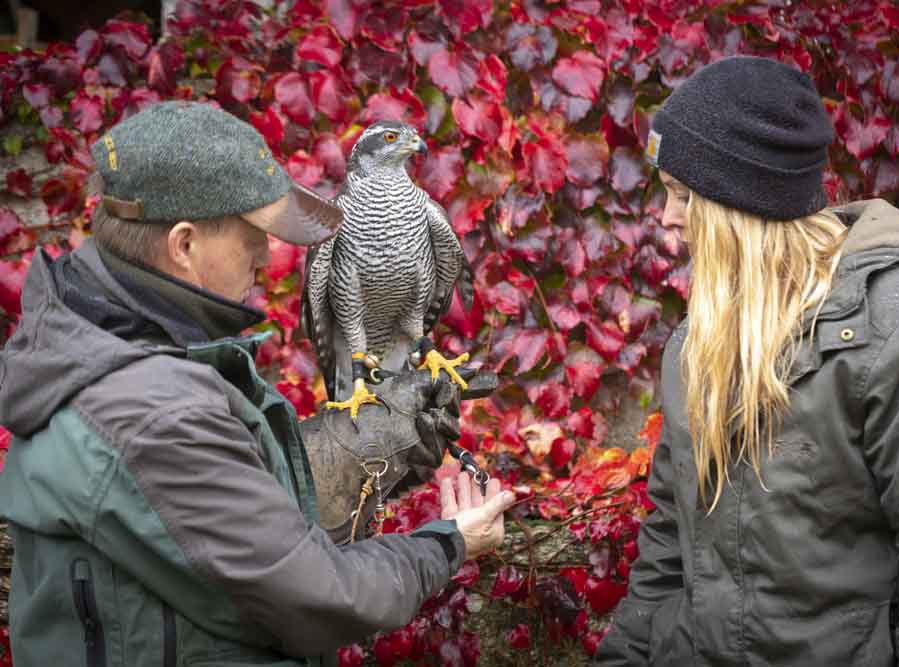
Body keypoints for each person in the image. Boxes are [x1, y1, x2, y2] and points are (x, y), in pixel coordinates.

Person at [0, 100, 514, 666]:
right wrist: (449, 542)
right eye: (253, 233)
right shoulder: (151, 407)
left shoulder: (121, 349)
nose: (268, 258)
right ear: (185, 246)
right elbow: (315, 595)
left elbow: (199, 518)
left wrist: (352, 452)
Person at [596, 56, 899, 665]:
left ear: (739, 203)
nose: (666, 218)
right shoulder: (698, 342)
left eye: (682, 196)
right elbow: (664, 558)